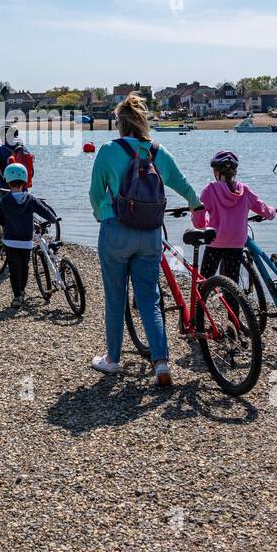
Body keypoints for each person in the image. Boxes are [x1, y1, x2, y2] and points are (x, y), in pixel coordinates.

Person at [88, 93, 201, 386]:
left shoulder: (108, 151)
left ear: (120, 125)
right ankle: (161, 363)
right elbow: (184, 186)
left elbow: (96, 193)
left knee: (115, 298)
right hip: (150, 234)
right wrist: (196, 205)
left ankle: (112, 360)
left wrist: (102, 214)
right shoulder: (158, 152)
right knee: (150, 298)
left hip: (116, 231)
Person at [192, 149, 275, 284]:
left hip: (215, 241)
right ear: (234, 173)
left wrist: (204, 223)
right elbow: (263, 208)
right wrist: (272, 213)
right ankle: (233, 303)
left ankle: (201, 303)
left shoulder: (210, 190)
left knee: (205, 280)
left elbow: (199, 219)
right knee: (232, 282)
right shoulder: (244, 190)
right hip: (236, 243)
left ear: (216, 172)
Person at [0, 163, 58, 309]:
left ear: (8, 182)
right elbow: (44, 210)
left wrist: (4, 227)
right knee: (24, 266)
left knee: (13, 269)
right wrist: (54, 219)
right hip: (25, 242)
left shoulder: (5, 200)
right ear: (25, 181)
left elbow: (0, 219)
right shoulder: (30, 199)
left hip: (10, 241)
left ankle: (17, 296)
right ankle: (22, 291)